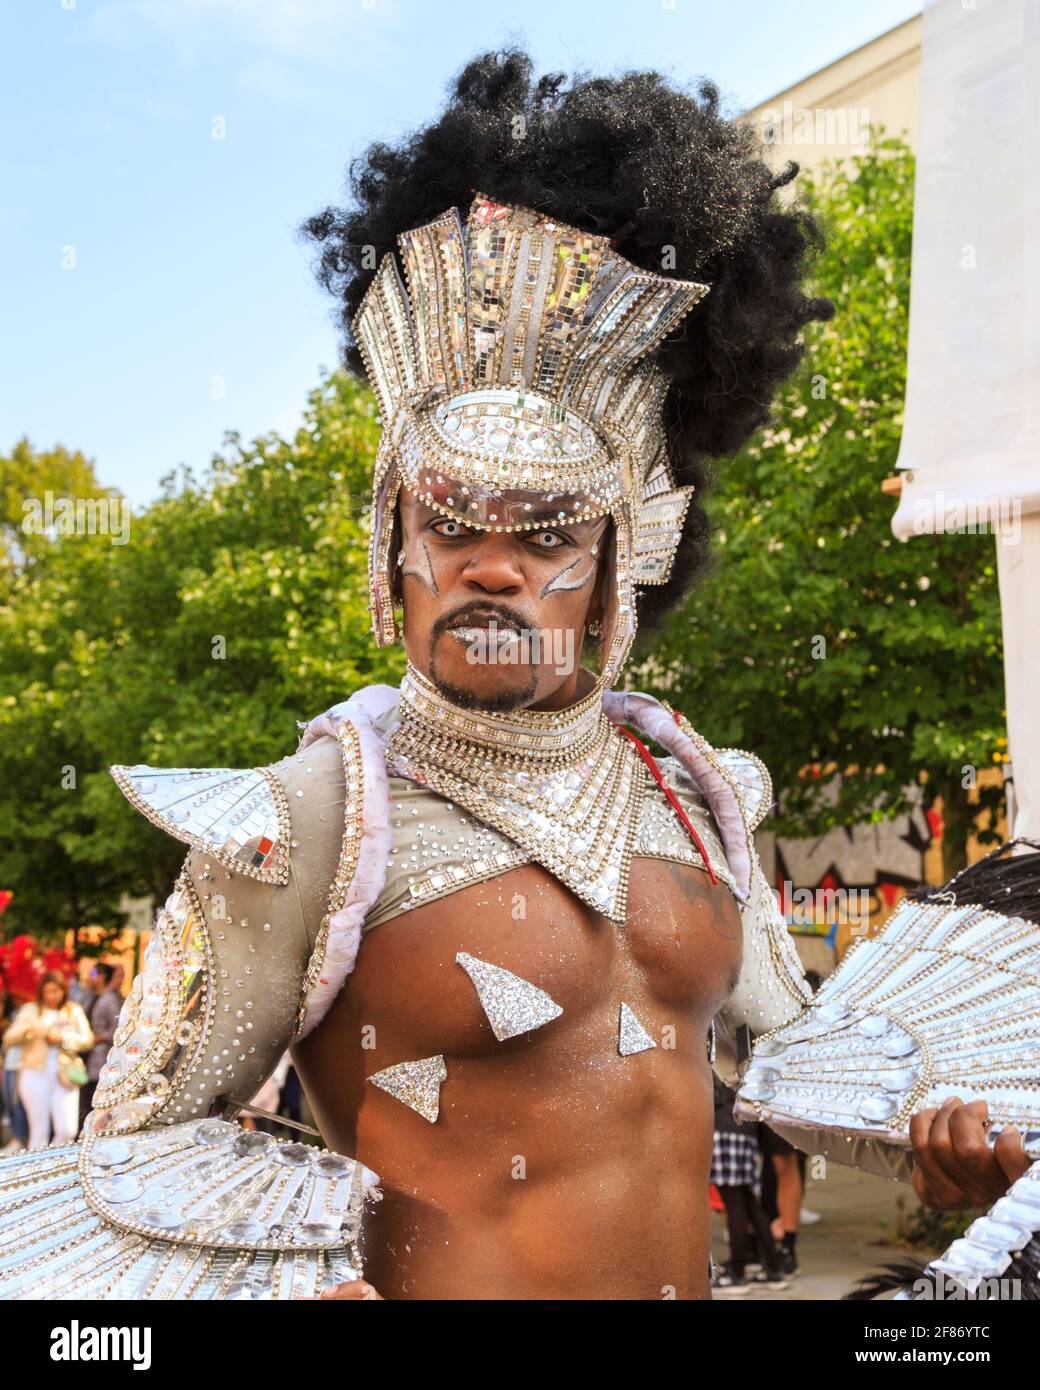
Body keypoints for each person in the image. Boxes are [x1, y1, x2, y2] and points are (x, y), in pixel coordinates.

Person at [0, 50, 1029, 1301]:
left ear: (621, 557)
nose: (489, 570)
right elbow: (132, 1169)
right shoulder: (301, 827)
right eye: (453, 524)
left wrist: (947, 1143)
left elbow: (799, 1069)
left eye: (542, 534)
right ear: (395, 539)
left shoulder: (695, 794)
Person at [710, 1076, 787, 1295]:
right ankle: (773, 1268)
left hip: (724, 1127)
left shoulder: (722, 1047)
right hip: (745, 1127)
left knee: (734, 1202)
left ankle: (737, 1273)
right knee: (748, 1201)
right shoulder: (746, 1048)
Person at [2, 974, 93, 1150]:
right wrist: (28, 1029)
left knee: (67, 1129)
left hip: (65, 1073)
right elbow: (9, 1038)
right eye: (47, 992)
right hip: (35, 1073)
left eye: (56, 991)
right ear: (41, 992)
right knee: (39, 1131)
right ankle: (36, 1172)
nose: (52, 996)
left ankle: (54, 1167)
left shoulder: (72, 1010)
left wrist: (63, 1037)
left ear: (63, 991)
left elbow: (87, 1039)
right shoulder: (31, 1010)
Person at [81, 962, 124, 1127]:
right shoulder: (91, 996)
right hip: (87, 1055)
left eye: (93, 974)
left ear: (102, 977)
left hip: (100, 1058)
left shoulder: (110, 999)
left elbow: (117, 1028)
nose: (90, 977)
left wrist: (96, 1038)